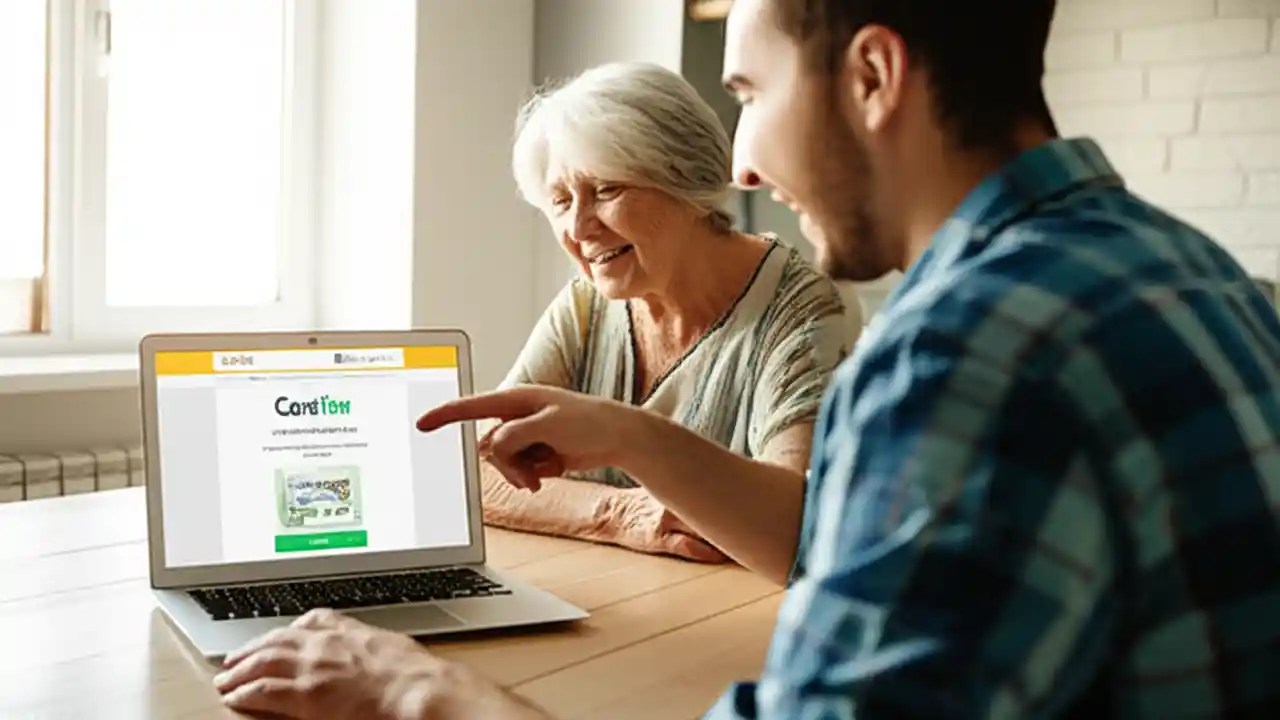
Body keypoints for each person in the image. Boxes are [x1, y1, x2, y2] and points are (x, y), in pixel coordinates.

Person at [214, 0, 1280, 718]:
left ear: (870, 75)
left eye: (749, 93)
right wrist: (632, 440)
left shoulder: (966, 351)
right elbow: (840, 548)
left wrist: (418, 692)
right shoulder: (1185, 269)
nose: (740, 160)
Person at [478, 61, 853, 572]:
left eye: (607, 190)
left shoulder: (803, 309)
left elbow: (793, 524)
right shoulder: (585, 307)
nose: (579, 228)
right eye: (561, 201)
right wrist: (615, 513)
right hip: (611, 601)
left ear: (687, 183)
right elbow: (479, 473)